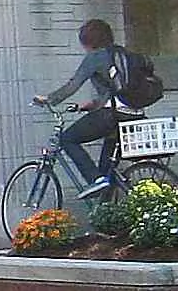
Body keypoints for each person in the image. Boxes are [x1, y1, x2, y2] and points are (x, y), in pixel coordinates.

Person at [37, 18, 130, 197]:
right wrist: (93, 105)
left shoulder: (96, 56)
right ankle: (106, 219)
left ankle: (95, 179)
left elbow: (73, 85)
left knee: (66, 139)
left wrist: (49, 99)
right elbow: (115, 89)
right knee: (107, 176)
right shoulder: (121, 54)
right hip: (132, 114)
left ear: (88, 42)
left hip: (112, 115)